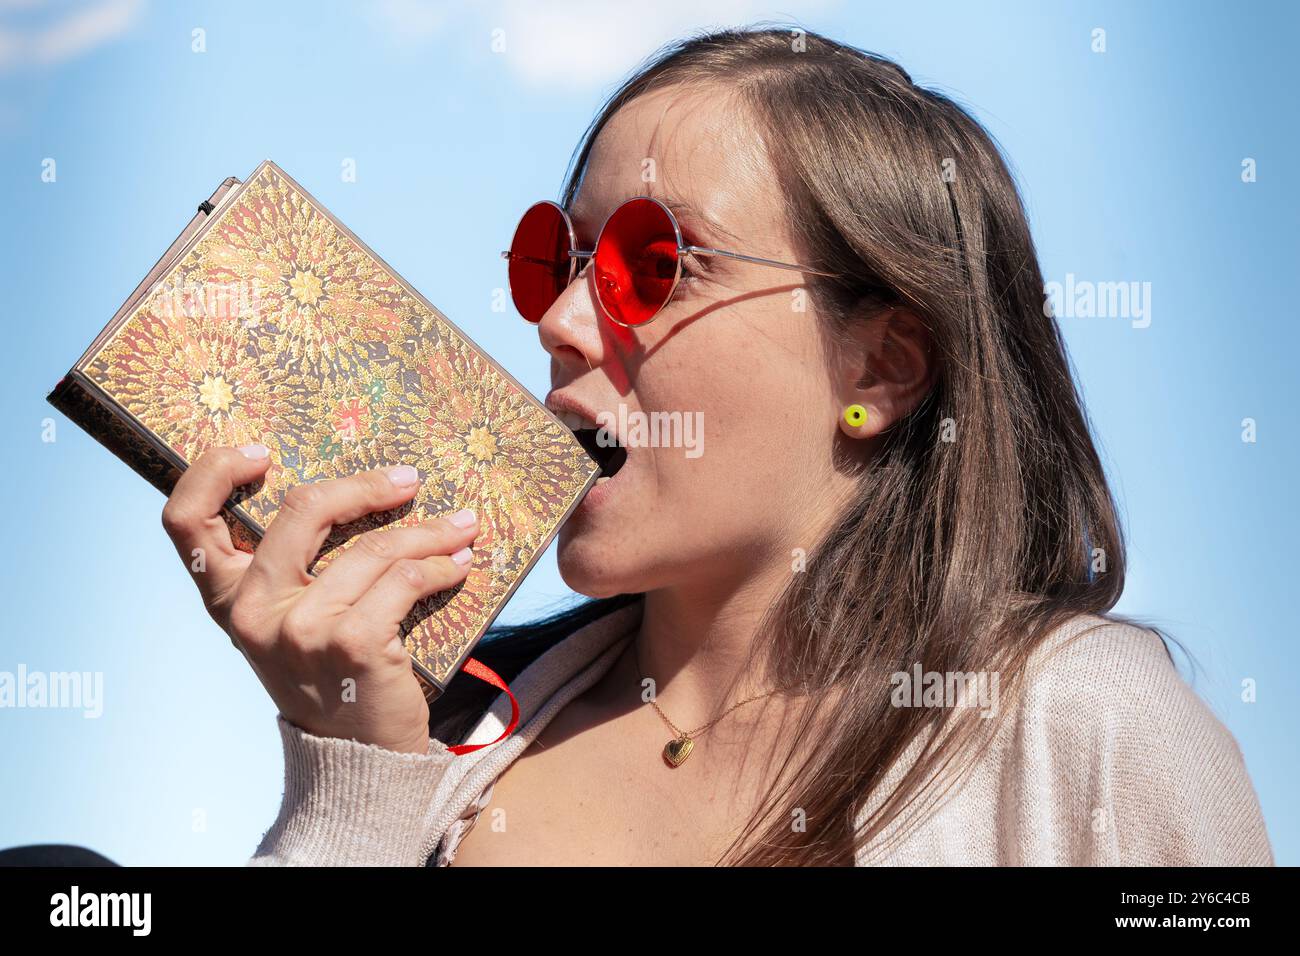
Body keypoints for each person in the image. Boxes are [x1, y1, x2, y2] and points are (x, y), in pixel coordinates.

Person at [157, 26, 1272, 866]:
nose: (559, 323)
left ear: (880, 368)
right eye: (558, 261)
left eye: (658, 262)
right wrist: (349, 771)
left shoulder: (1082, 726)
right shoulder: (451, 741)